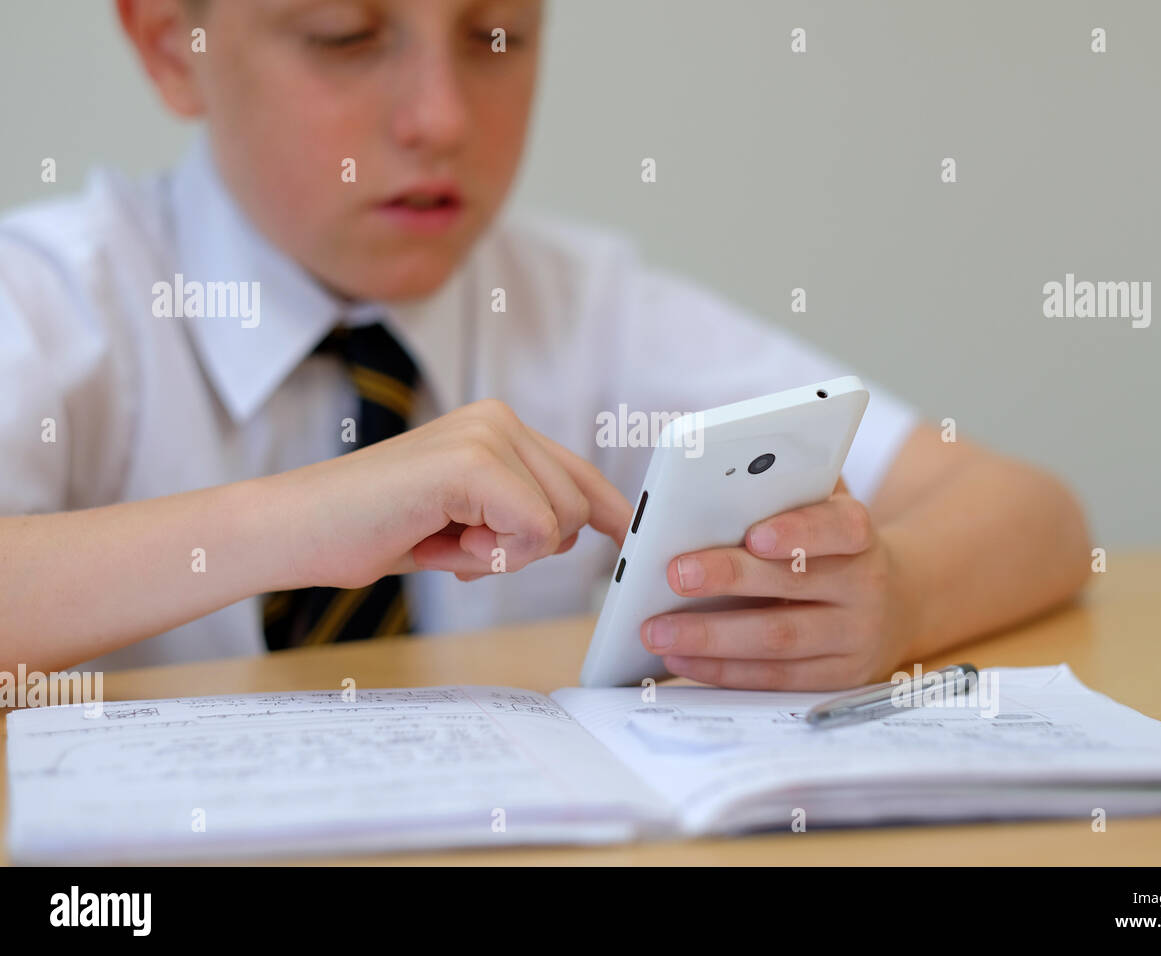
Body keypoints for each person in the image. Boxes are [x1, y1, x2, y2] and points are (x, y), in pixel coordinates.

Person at [0, 0, 1090, 689]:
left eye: (496, 39)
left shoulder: (582, 306)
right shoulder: (52, 297)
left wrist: (898, 593)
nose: (440, 117)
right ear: (169, 46)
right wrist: (294, 521)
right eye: (345, 35)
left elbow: (1033, 512)